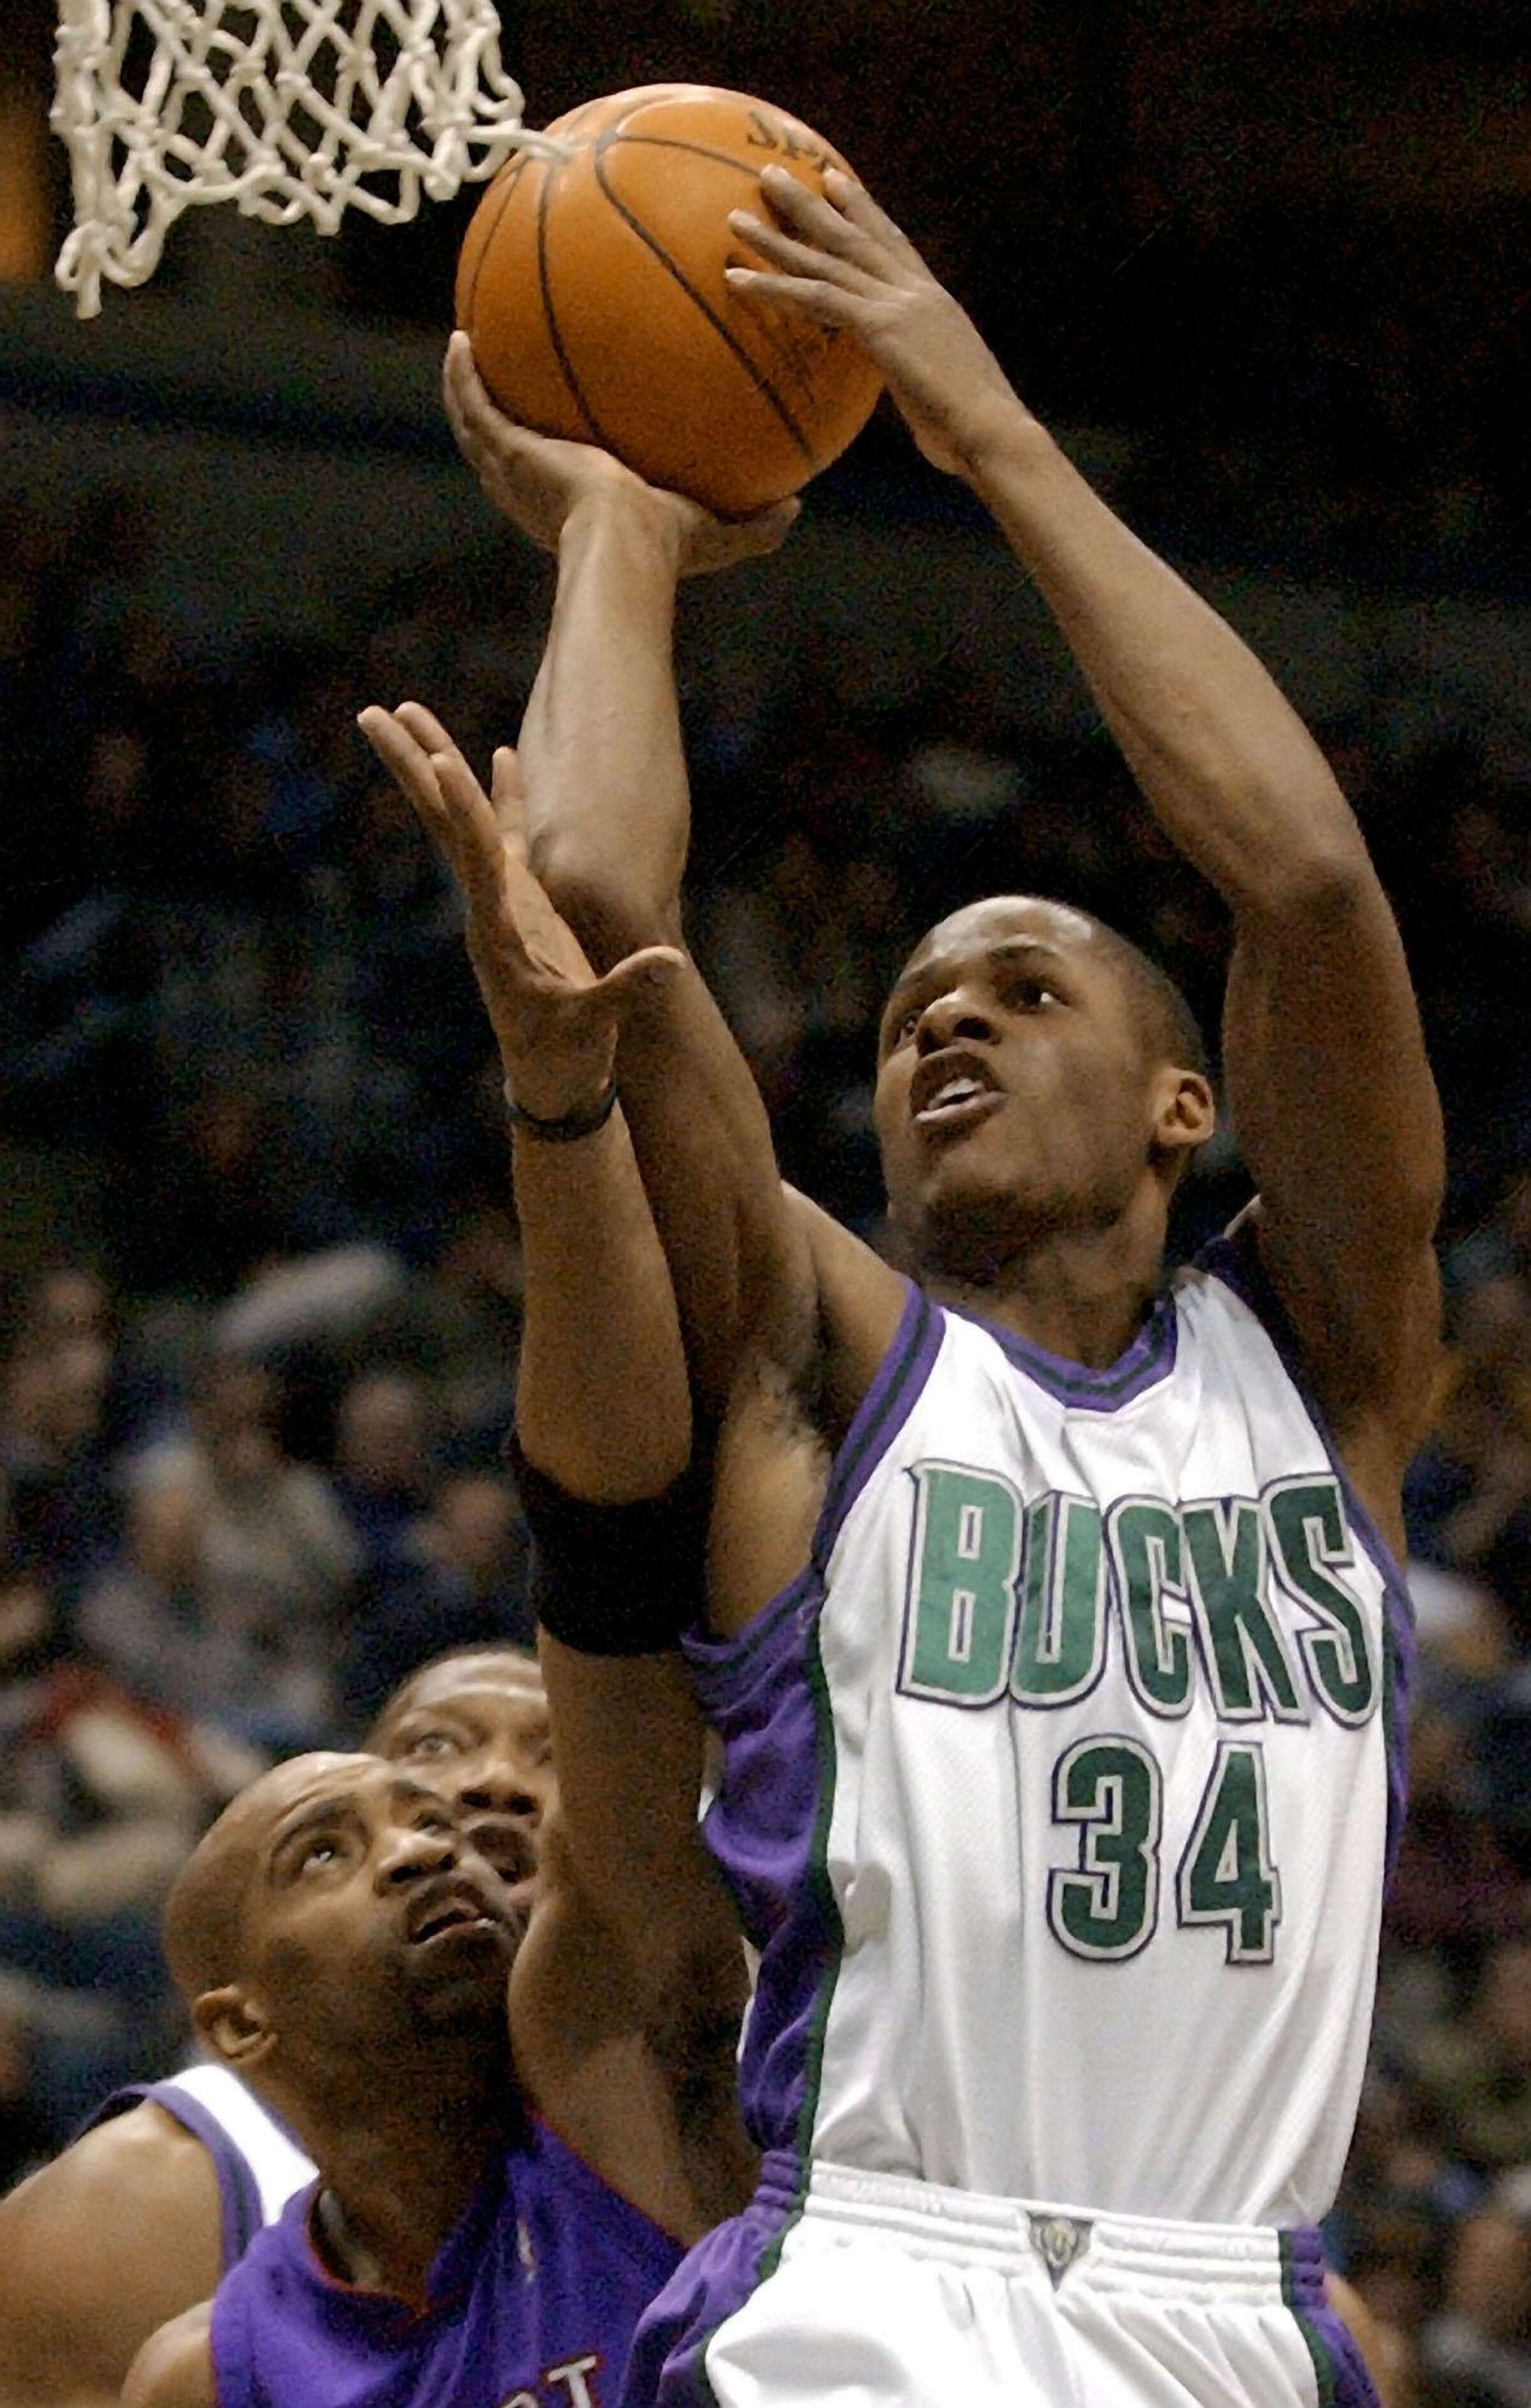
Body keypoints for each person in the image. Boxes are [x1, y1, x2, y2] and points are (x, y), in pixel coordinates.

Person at [388, 156, 1443, 2408]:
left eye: (1029, 991)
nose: (945, 1017)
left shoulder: (1324, 1370)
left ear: (1187, 1108)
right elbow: (590, 911)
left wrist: (986, 428)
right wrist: (619, 538)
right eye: (907, 1016)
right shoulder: (828, 1357)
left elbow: (1316, 888)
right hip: (875, 2289)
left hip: (1236, 2304)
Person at [117, 731, 755, 2408]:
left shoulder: (647, 2075)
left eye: (517, 1782)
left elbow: (613, 1546)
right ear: (238, 2021)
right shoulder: (202, 2355)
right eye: (364, 1819)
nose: (451, 1825)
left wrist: (565, 1101)